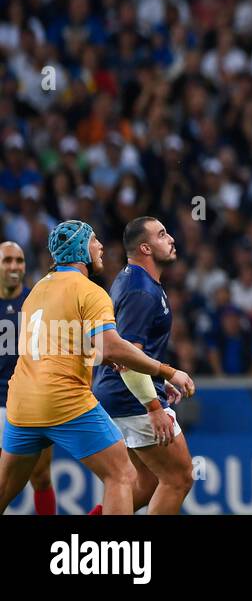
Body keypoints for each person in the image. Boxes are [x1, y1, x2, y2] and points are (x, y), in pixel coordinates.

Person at [0, 221, 195, 515]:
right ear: (81, 249)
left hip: (21, 402)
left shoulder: (37, 290)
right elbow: (113, 346)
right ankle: (112, 557)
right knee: (122, 476)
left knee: (4, 489)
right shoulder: (89, 291)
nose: (101, 246)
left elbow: (64, 347)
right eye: (94, 241)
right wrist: (167, 371)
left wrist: (107, 357)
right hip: (64, 400)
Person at [89, 217, 193, 515]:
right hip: (131, 400)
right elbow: (126, 358)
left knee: (146, 482)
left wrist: (159, 380)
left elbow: (130, 353)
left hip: (117, 394)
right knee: (179, 478)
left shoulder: (132, 279)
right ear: (145, 247)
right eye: (162, 235)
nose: (171, 238)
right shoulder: (142, 292)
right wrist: (154, 407)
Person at [0, 241, 56, 514]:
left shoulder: (37, 302)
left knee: (42, 477)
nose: (14, 266)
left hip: (29, 403)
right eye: (7, 260)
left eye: (19, 261)